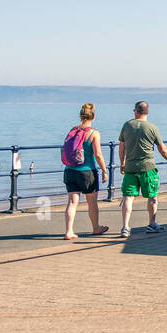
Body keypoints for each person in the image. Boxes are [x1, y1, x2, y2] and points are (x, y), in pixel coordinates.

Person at [118, 101, 167, 237]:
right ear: (147, 112)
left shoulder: (127, 125)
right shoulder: (152, 128)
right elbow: (162, 149)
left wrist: (122, 163)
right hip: (148, 167)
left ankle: (125, 227)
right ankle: (151, 224)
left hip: (130, 167)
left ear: (135, 111)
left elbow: (122, 147)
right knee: (152, 196)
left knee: (128, 197)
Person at [61, 103, 108, 240]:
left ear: (80, 115)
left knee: (72, 202)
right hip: (87, 172)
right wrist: (105, 170)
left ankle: (69, 231)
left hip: (70, 170)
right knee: (92, 202)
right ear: (93, 116)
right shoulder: (94, 133)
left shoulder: (73, 130)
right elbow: (98, 154)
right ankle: (96, 228)